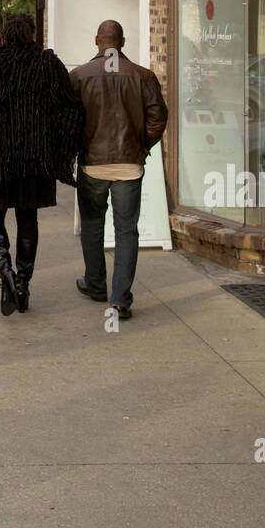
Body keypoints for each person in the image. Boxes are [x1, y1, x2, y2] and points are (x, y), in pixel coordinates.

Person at [0, 13, 84, 316]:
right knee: (28, 220)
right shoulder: (47, 64)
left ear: (2, 35)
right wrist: (55, 146)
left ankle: (5, 273)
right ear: (32, 34)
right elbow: (70, 108)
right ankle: (22, 283)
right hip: (32, 161)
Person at [69, 20, 168, 319]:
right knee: (126, 230)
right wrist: (141, 146)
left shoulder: (79, 76)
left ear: (97, 40)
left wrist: (80, 146)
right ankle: (121, 299)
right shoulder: (143, 76)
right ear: (122, 41)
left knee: (92, 224)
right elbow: (158, 118)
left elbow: (68, 120)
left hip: (93, 163)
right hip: (129, 164)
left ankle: (96, 284)